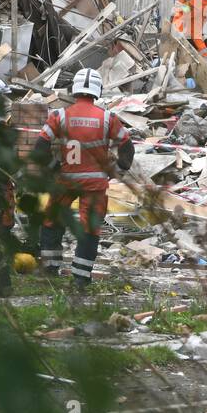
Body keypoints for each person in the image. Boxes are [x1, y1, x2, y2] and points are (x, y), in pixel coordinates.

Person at [32, 68, 133, 291]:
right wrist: (119, 169)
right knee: (90, 229)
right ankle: (80, 277)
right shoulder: (107, 118)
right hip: (96, 184)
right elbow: (127, 147)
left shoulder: (60, 116)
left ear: (75, 89)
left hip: (66, 180)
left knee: (52, 219)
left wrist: (53, 167)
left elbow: (40, 148)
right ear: (97, 90)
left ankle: (50, 268)